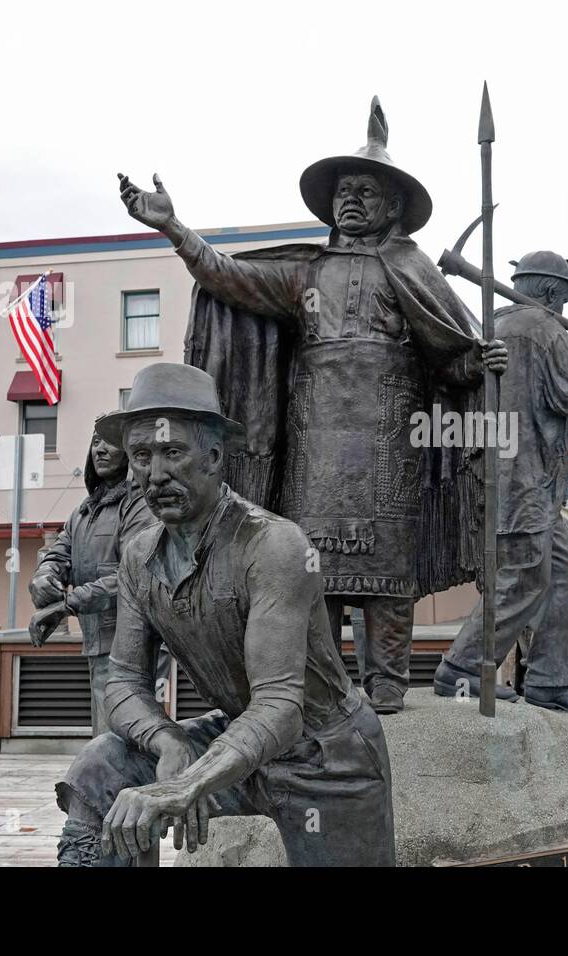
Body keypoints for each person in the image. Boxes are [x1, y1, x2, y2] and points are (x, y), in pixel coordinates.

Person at [117, 97, 507, 715]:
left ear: (394, 205)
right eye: (344, 190)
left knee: (387, 571)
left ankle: (386, 684)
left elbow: (449, 357)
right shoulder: (306, 272)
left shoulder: (411, 267)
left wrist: (476, 364)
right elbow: (228, 276)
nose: (351, 199)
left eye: (366, 191)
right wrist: (175, 229)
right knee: (310, 566)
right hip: (314, 448)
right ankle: (323, 684)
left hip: (388, 445)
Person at [54, 364, 394, 867]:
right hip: (235, 740)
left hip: (325, 755)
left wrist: (189, 785)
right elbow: (123, 680)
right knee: (103, 767)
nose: (156, 473)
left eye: (173, 452)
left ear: (214, 457)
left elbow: (280, 703)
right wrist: (168, 743)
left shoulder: (274, 545)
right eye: (142, 455)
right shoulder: (138, 556)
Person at [434, 251, 568, 713]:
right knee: (524, 576)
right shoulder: (538, 326)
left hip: (524, 481)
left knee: (561, 572)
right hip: (522, 479)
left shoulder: (495, 325)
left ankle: (550, 679)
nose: (565, 307)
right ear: (553, 292)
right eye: (566, 298)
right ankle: (464, 666)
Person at [28, 417, 158, 735]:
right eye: (96, 441)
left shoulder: (140, 505)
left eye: (109, 441)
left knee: (120, 735)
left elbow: (131, 576)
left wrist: (67, 604)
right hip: (95, 640)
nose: (100, 449)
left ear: (130, 451)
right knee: (105, 735)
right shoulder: (83, 512)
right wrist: (44, 579)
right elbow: (57, 556)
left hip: (130, 642)